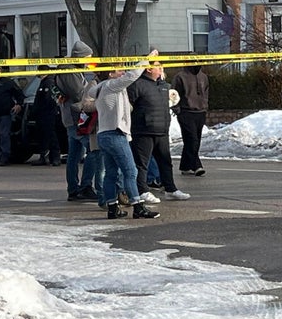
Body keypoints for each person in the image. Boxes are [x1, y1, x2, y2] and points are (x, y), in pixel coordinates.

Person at [93, 50, 161, 220]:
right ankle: (138, 207)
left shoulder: (102, 88)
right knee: (131, 171)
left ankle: (112, 207)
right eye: (119, 70)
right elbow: (132, 76)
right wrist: (147, 60)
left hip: (104, 134)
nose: (122, 73)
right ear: (110, 74)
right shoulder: (111, 85)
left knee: (111, 173)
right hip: (116, 134)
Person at [127, 61, 189, 202]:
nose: (161, 69)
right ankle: (142, 191)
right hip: (143, 130)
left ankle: (170, 189)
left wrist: (175, 105)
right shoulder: (137, 85)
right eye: (158, 66)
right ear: (148, 69)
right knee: (142, 163)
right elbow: (128, 106)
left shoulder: (164, 86)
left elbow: (168, 104)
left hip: (162, 130)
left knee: (165, 161)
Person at [57, 41, 100, 200]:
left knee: (74, 155)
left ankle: (74, 189)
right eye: (88, 57)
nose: (91, 60)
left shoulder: (74, 70)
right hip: (76, 118)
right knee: (94, 151)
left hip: (73, 117)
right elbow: (79, 94)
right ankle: (85, 186)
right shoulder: (70, 72)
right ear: (80, 57)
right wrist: (92, 83)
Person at [172, 62, 209, 176]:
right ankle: (196, 165)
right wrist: (176, 108)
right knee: (192, 139)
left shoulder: (203, 77)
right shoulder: (180, 77)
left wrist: (205, 105)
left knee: (194, 140)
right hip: (186, 112)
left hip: (200, 112)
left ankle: (185, 165)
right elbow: (174, 94)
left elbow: (206, 92)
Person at [31, 68, 62, 166]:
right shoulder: (43, 82)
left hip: (48, 114)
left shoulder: (49, 82)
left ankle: (55, 158)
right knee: (43, 136)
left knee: (51, 136)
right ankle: (45, 157)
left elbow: (51, 99)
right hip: (43, 114)